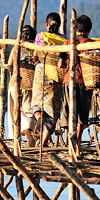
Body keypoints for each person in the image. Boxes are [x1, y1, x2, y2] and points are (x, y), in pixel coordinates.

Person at [30, 12, 67, 148]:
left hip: (41, 71)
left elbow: (35, 57)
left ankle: (39, 117)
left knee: (37, 104)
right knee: (53, 110)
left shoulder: (40, 36)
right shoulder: (65, 39)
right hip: (56, 75)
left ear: (47, 24)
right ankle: (44, 142)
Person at [64, 14, 94, 158]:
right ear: (89, 30)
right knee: (82, 117)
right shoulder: (92, 43)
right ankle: (77, 148)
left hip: (68, 81)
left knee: (71, 115)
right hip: (83, 82)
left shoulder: (67, 43)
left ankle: (70, 147)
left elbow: (60, 63)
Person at [7, 24, 37, 142]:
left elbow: (9, 66)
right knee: (28, 110)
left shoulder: (16, 48)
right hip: (30, 85)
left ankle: (18, 136)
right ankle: (29, 130)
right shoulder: (35, 49)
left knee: (15, 111)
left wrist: (16, 69)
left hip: (15, 84)